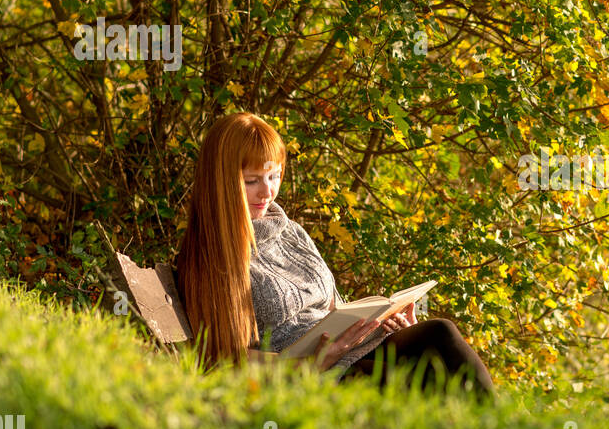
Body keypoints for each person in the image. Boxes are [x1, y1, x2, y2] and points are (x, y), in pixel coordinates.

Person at [172, 112, 495, 399]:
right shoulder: (213, 256)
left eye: (275, 176)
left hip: (350, 351)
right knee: (411, 379)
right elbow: (227, 358)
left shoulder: (290, 231)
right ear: (221, 183)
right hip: (307, 374)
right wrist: (309, 364)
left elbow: (334, 306)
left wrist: (385, 323)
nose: (267, 192)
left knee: (438, 333)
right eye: (251, 181)